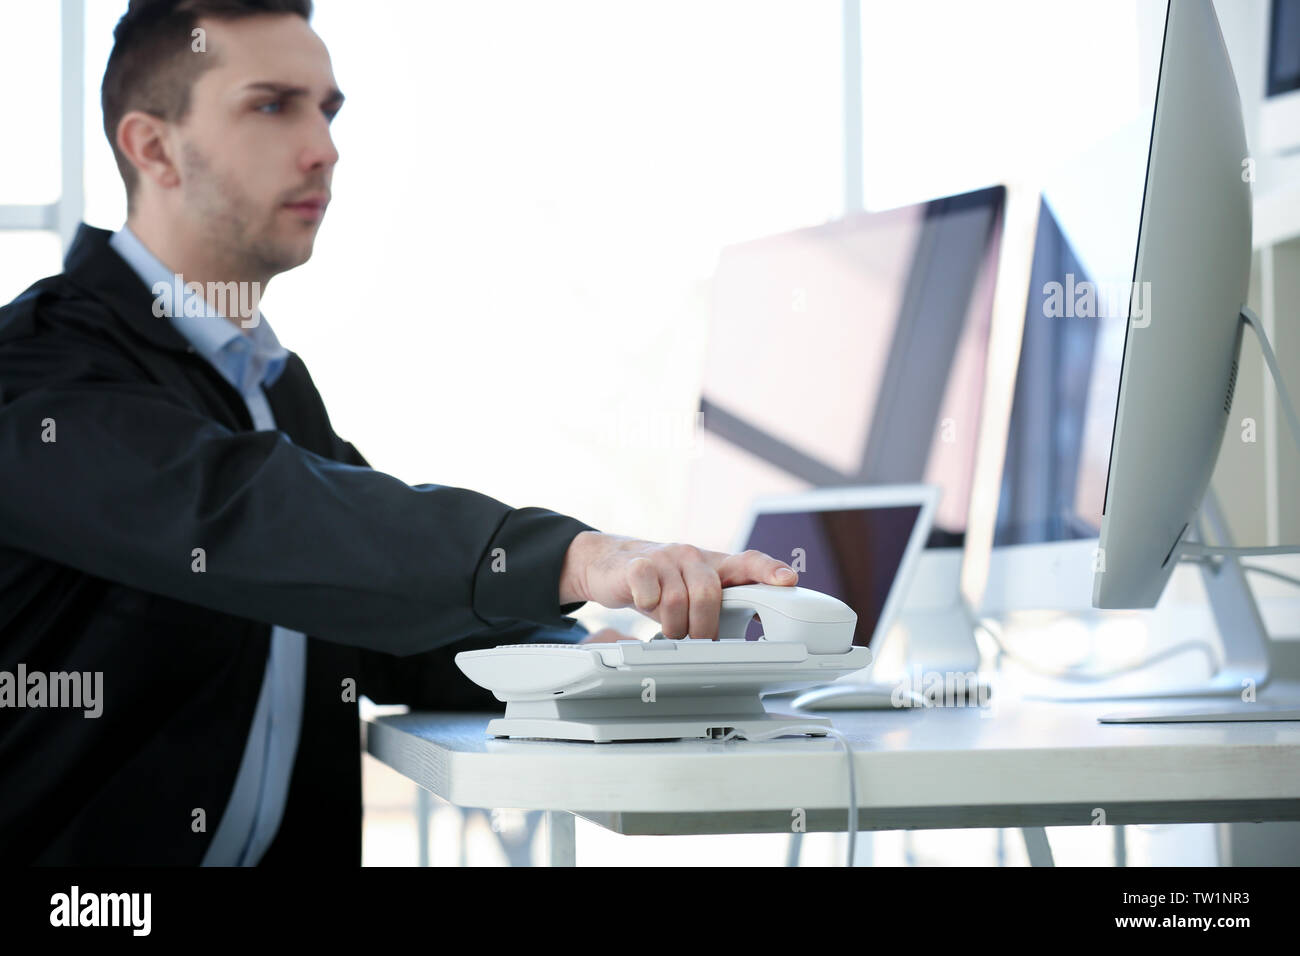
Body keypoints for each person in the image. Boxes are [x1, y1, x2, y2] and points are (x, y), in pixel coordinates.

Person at [0, 0, 798, 865]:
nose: (324, 147)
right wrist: (581, 556)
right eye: (272, 105)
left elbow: (371, 611)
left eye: (328, 109)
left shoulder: (268, 386)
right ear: (152, 146)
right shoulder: (40, 368)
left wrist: (575, 656)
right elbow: (253, 517)